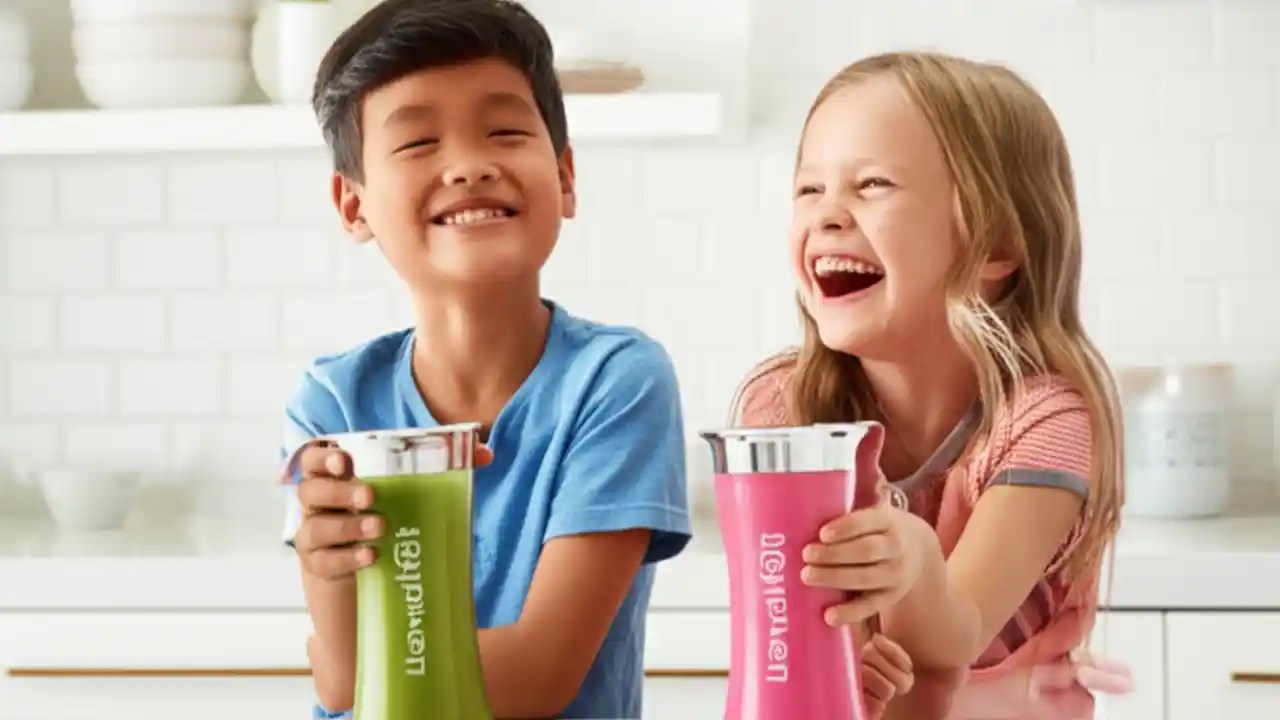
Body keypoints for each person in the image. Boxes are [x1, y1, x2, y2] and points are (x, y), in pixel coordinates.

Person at [274, 1, 693, 717]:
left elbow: (535, 678)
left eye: (504, 131)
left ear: (565, 178)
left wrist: (361, 667)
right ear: (354, 206)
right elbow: (344, 685)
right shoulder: (332, 402)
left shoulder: (617, 381)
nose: (469, 166)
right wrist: (333, 606)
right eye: (417, 144)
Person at [730, 51, 1133, 718]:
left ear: (996, 244)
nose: (828, 214)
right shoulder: (782, 409)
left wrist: (914, 561)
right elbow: (799, 648)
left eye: (873, 184)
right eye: (809, 189)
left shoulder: (1044, 423)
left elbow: (955, 639)